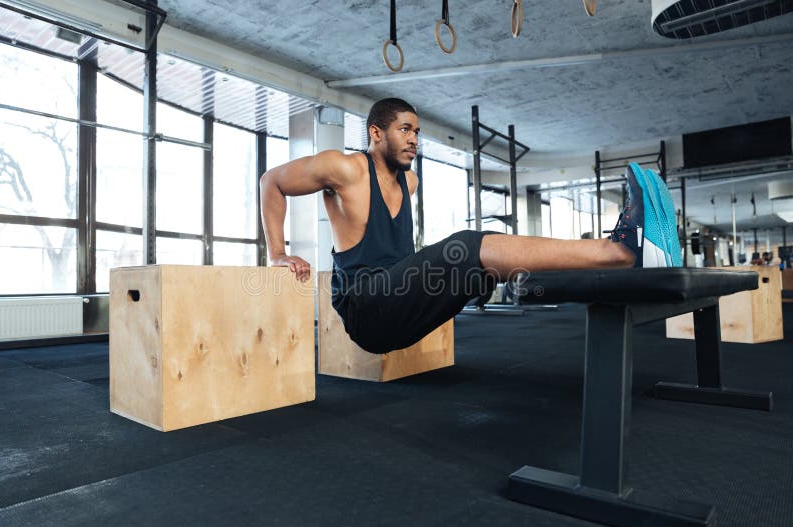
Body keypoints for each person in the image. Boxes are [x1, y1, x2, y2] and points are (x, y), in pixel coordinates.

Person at [260, 98, 681, 353]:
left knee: (484, 267)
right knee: (467, 245)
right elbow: (271, 182)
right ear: (375, 133)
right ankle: (621, 250)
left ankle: (619, 266)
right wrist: (278, 253)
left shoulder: (411, 180)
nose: (413, 139)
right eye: (404, 129)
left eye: (417, 132)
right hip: (365, 308)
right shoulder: (344, 167)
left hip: (401, 302)